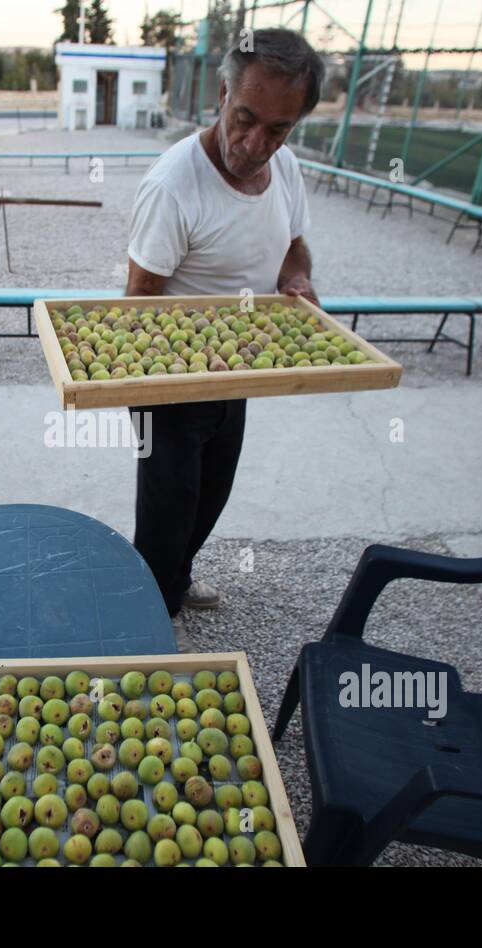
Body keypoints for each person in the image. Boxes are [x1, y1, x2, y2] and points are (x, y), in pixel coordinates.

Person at [125, 29, 325, 644]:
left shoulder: (283, 167)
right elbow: (138, 302)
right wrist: (151, 384)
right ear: (221, 94)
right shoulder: (174, 186)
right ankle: (150, 616)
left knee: (212, 493)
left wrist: (297, 277)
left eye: (278, 130)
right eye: (246, 119)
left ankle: (177, 581)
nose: (256, 143)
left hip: (237, 370)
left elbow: (295, 246)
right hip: (171, 380)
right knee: (167, 508)